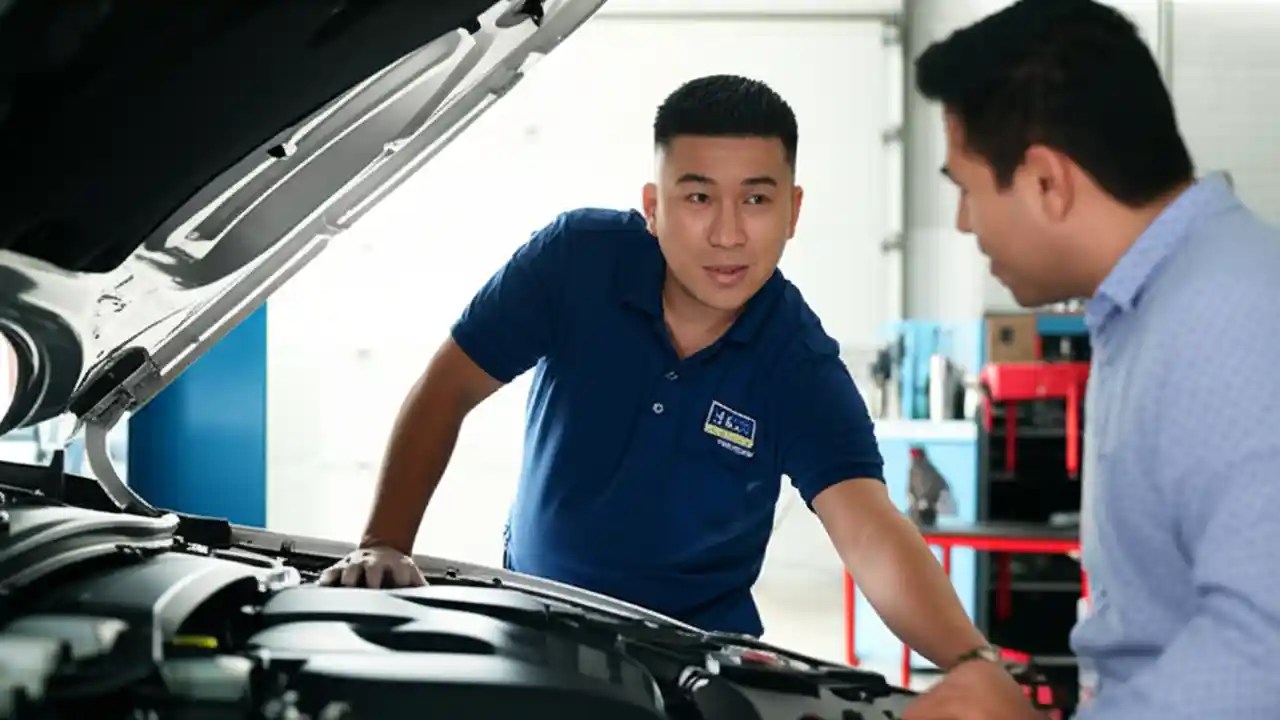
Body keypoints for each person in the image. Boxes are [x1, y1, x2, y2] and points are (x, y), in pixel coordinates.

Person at [318, 73, 1025, 689]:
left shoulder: (796, 362)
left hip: (693, 669)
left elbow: (869, 529)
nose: (727, 234)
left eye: (756, 200)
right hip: (531, 629)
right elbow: (448, 389)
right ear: (654, 206)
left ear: (793, 211)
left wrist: (974, 666)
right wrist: (385, 541)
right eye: (698, 198)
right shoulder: (575, 263)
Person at [903, 1, 1280, 719]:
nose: (963, 222)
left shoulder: (1229, 314)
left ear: (1048, 182)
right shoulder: (1152, 307)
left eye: (966, 190)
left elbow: (1264, 651)